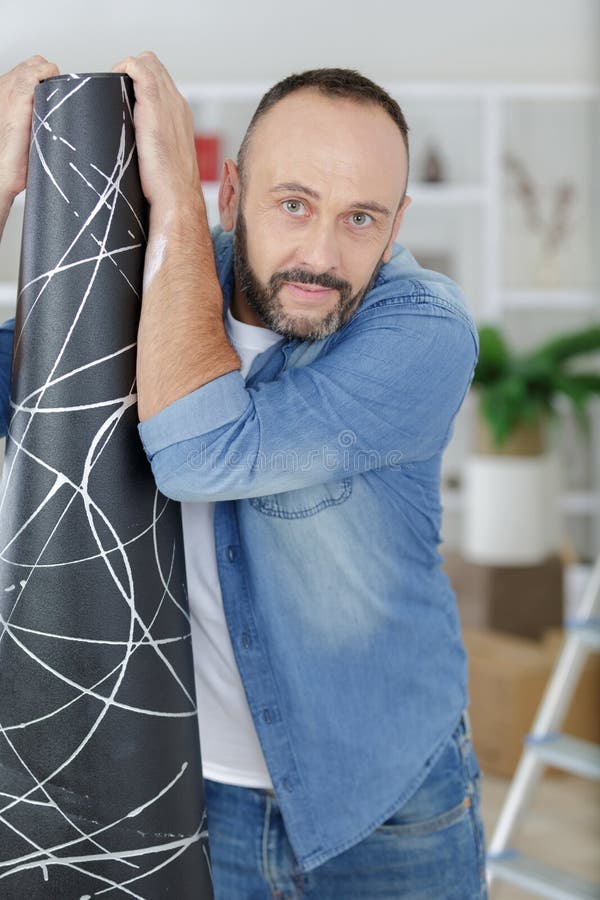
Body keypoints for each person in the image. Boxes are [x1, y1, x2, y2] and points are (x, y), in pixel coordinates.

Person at [0, 53, 487, 898]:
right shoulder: (135, 300)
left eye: (362, 218)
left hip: (386, 798)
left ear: (398, 222)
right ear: (235, 194)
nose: (322, 255)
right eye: (292, 204)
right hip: (195, 796)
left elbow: (197, 455)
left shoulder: (424, 328)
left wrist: (173, 205)